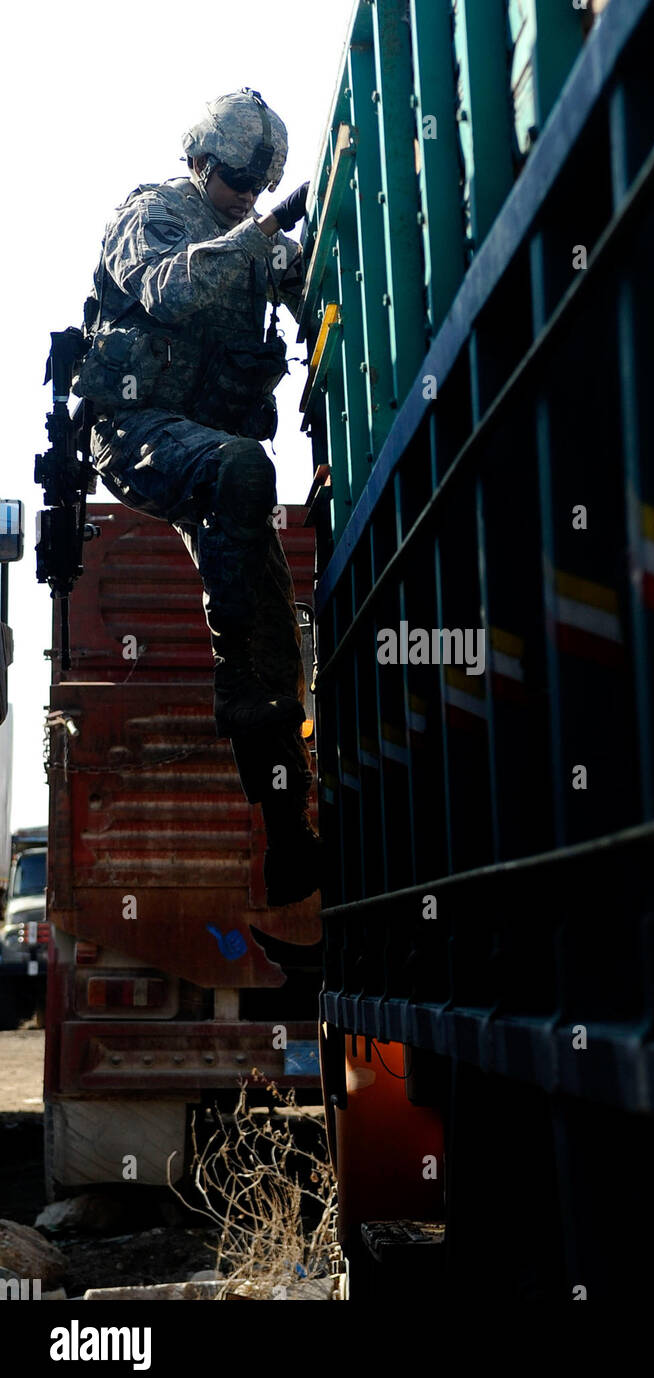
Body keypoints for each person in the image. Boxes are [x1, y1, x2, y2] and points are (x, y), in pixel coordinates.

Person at [76, 88, 319, 905]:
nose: (247, 198)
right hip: (137, 430)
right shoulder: (153, 214)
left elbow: (312, 294)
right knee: (244, 469)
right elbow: (168, 291)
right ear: (200, 163)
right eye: (237, 182)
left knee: (274, 636)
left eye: (260, 188)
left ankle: (288, 842)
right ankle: (238, 691)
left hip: (211, 455)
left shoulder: (254, 237)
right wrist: (259, 235)